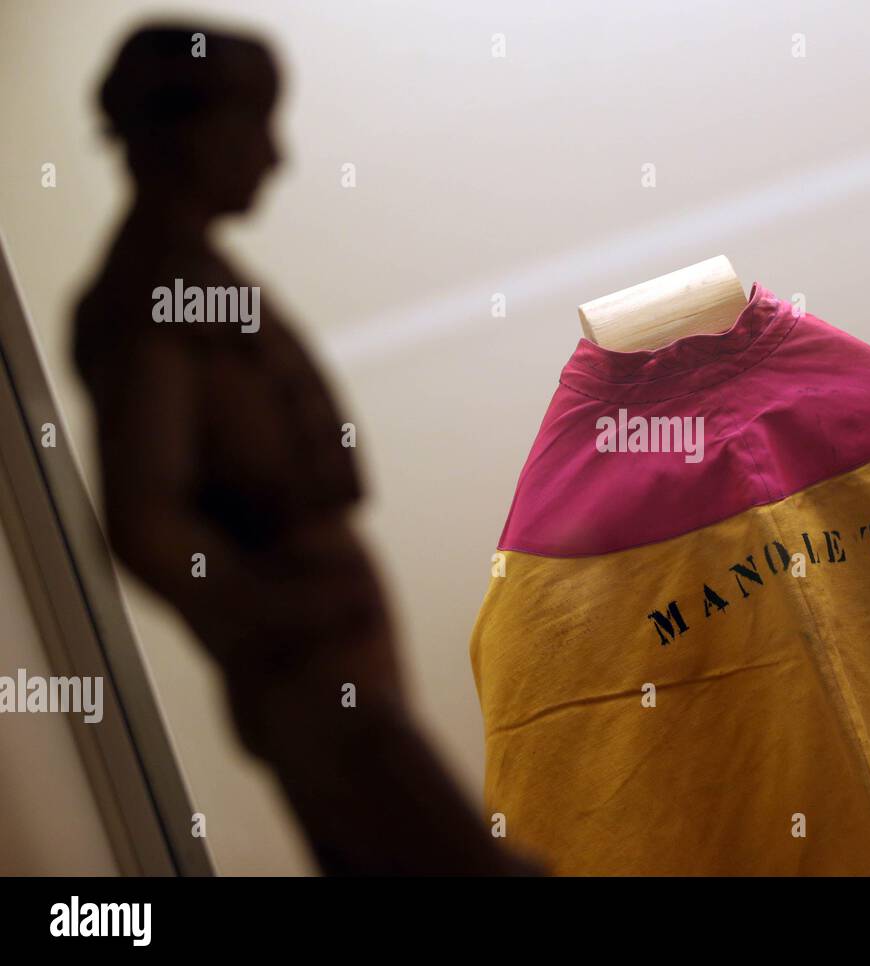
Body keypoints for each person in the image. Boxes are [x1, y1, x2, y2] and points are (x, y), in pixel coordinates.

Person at [74, 24, 535, 875]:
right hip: (306, 662)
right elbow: (145, 520)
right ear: (186, 134)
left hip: (326, 647)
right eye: (251, 125)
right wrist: (270, 627)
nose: (274, 156)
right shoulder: (150, 300)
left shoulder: (192, 278)